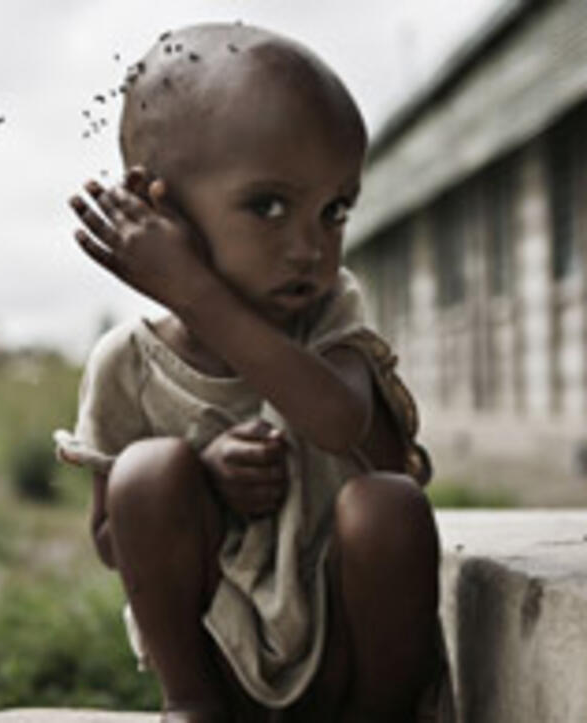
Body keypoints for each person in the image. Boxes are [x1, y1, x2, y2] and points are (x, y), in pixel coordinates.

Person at [54, 22, 452, 723]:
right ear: (160, 208)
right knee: (144, 473)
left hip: (346, 663)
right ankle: (191, 707)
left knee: (387, 505)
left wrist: (195, 293)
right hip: (222, 660)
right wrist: (203, 481)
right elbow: (112, 542)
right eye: (269, 206)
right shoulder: (128, 364)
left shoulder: (332, 315)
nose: (310, 247)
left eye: (334, 211)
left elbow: (337, 420)